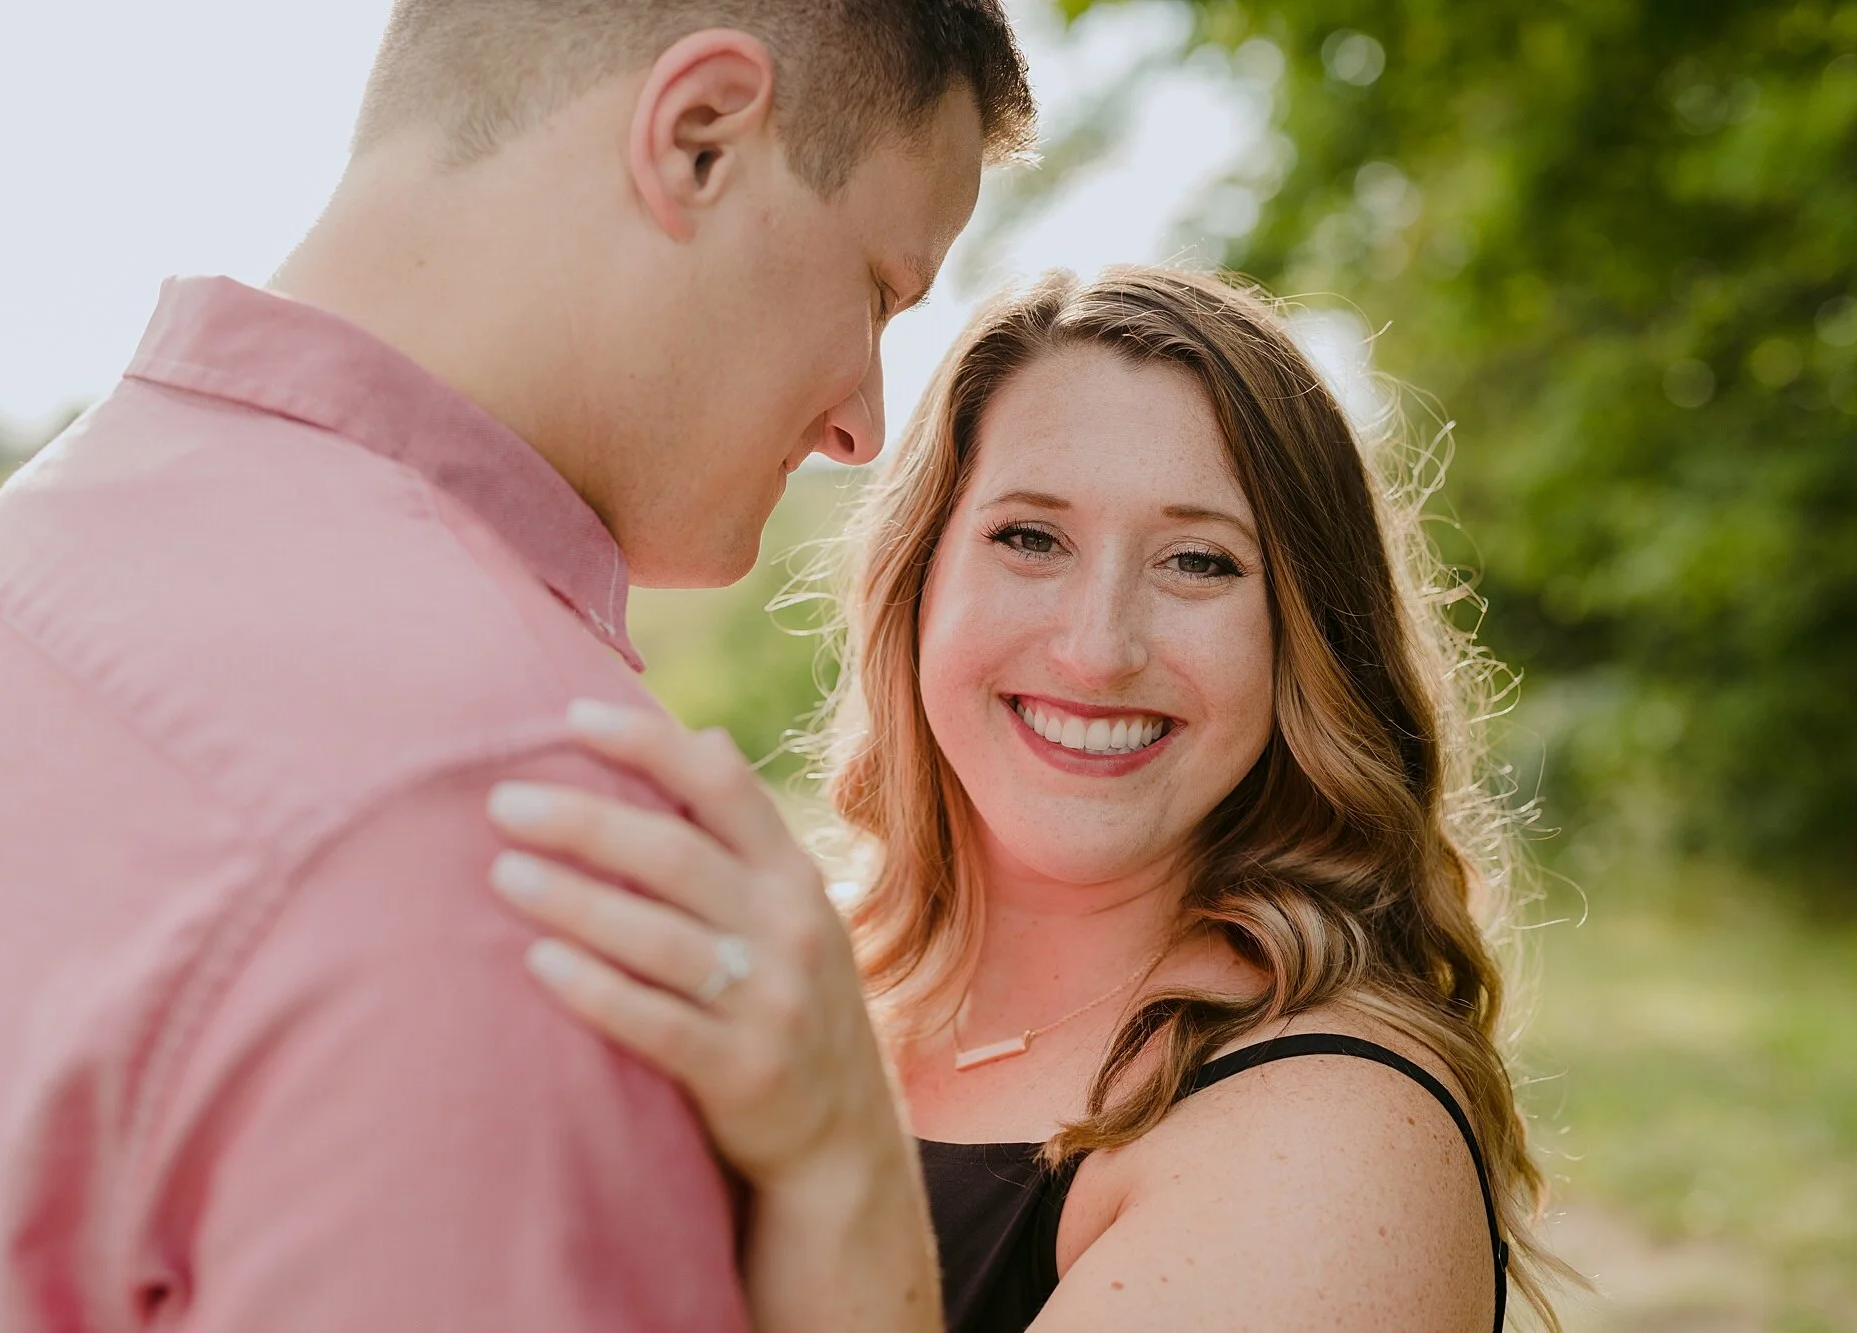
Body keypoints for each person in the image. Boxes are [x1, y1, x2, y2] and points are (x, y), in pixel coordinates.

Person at [0, 4, 1033, 1330]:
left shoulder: (42, 540)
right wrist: (853, 1194)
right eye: (880, 288)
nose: (863, 424)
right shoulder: (534, 822)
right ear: (701, 137)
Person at [483, 267, 1578, 1332]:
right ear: (917, 582)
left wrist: (830, 1165)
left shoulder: (1333, 1133)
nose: (1098, 650)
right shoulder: (806, 980)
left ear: (1302, 638)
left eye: (1198, 562)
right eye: (1029, 538)